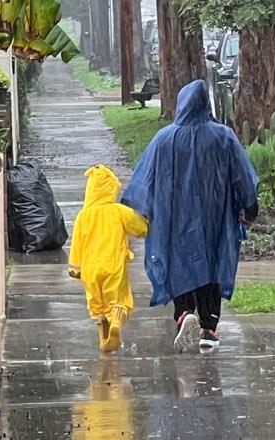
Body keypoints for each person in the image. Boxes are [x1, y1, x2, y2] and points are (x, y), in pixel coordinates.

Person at [121, 80, 258, 352]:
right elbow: (242, 175)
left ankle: (184, 312)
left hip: (173, 219)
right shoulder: (223, 137)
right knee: (211, 266)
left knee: (179, 264)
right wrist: (250, 207)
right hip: (214, 217)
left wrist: (144, 214)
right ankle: (209, 328)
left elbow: (143, 180)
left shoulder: (163, 139)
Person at [67, 165, 149, 353]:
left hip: (90, 269)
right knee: (118, 299)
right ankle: (115, 325)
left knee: (96, 303)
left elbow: (76, 244)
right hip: (113, 264)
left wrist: (75, 269)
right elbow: (139, 227)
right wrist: (147, 226)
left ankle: (103, 338)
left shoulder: (83, 216)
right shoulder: (118, 211)